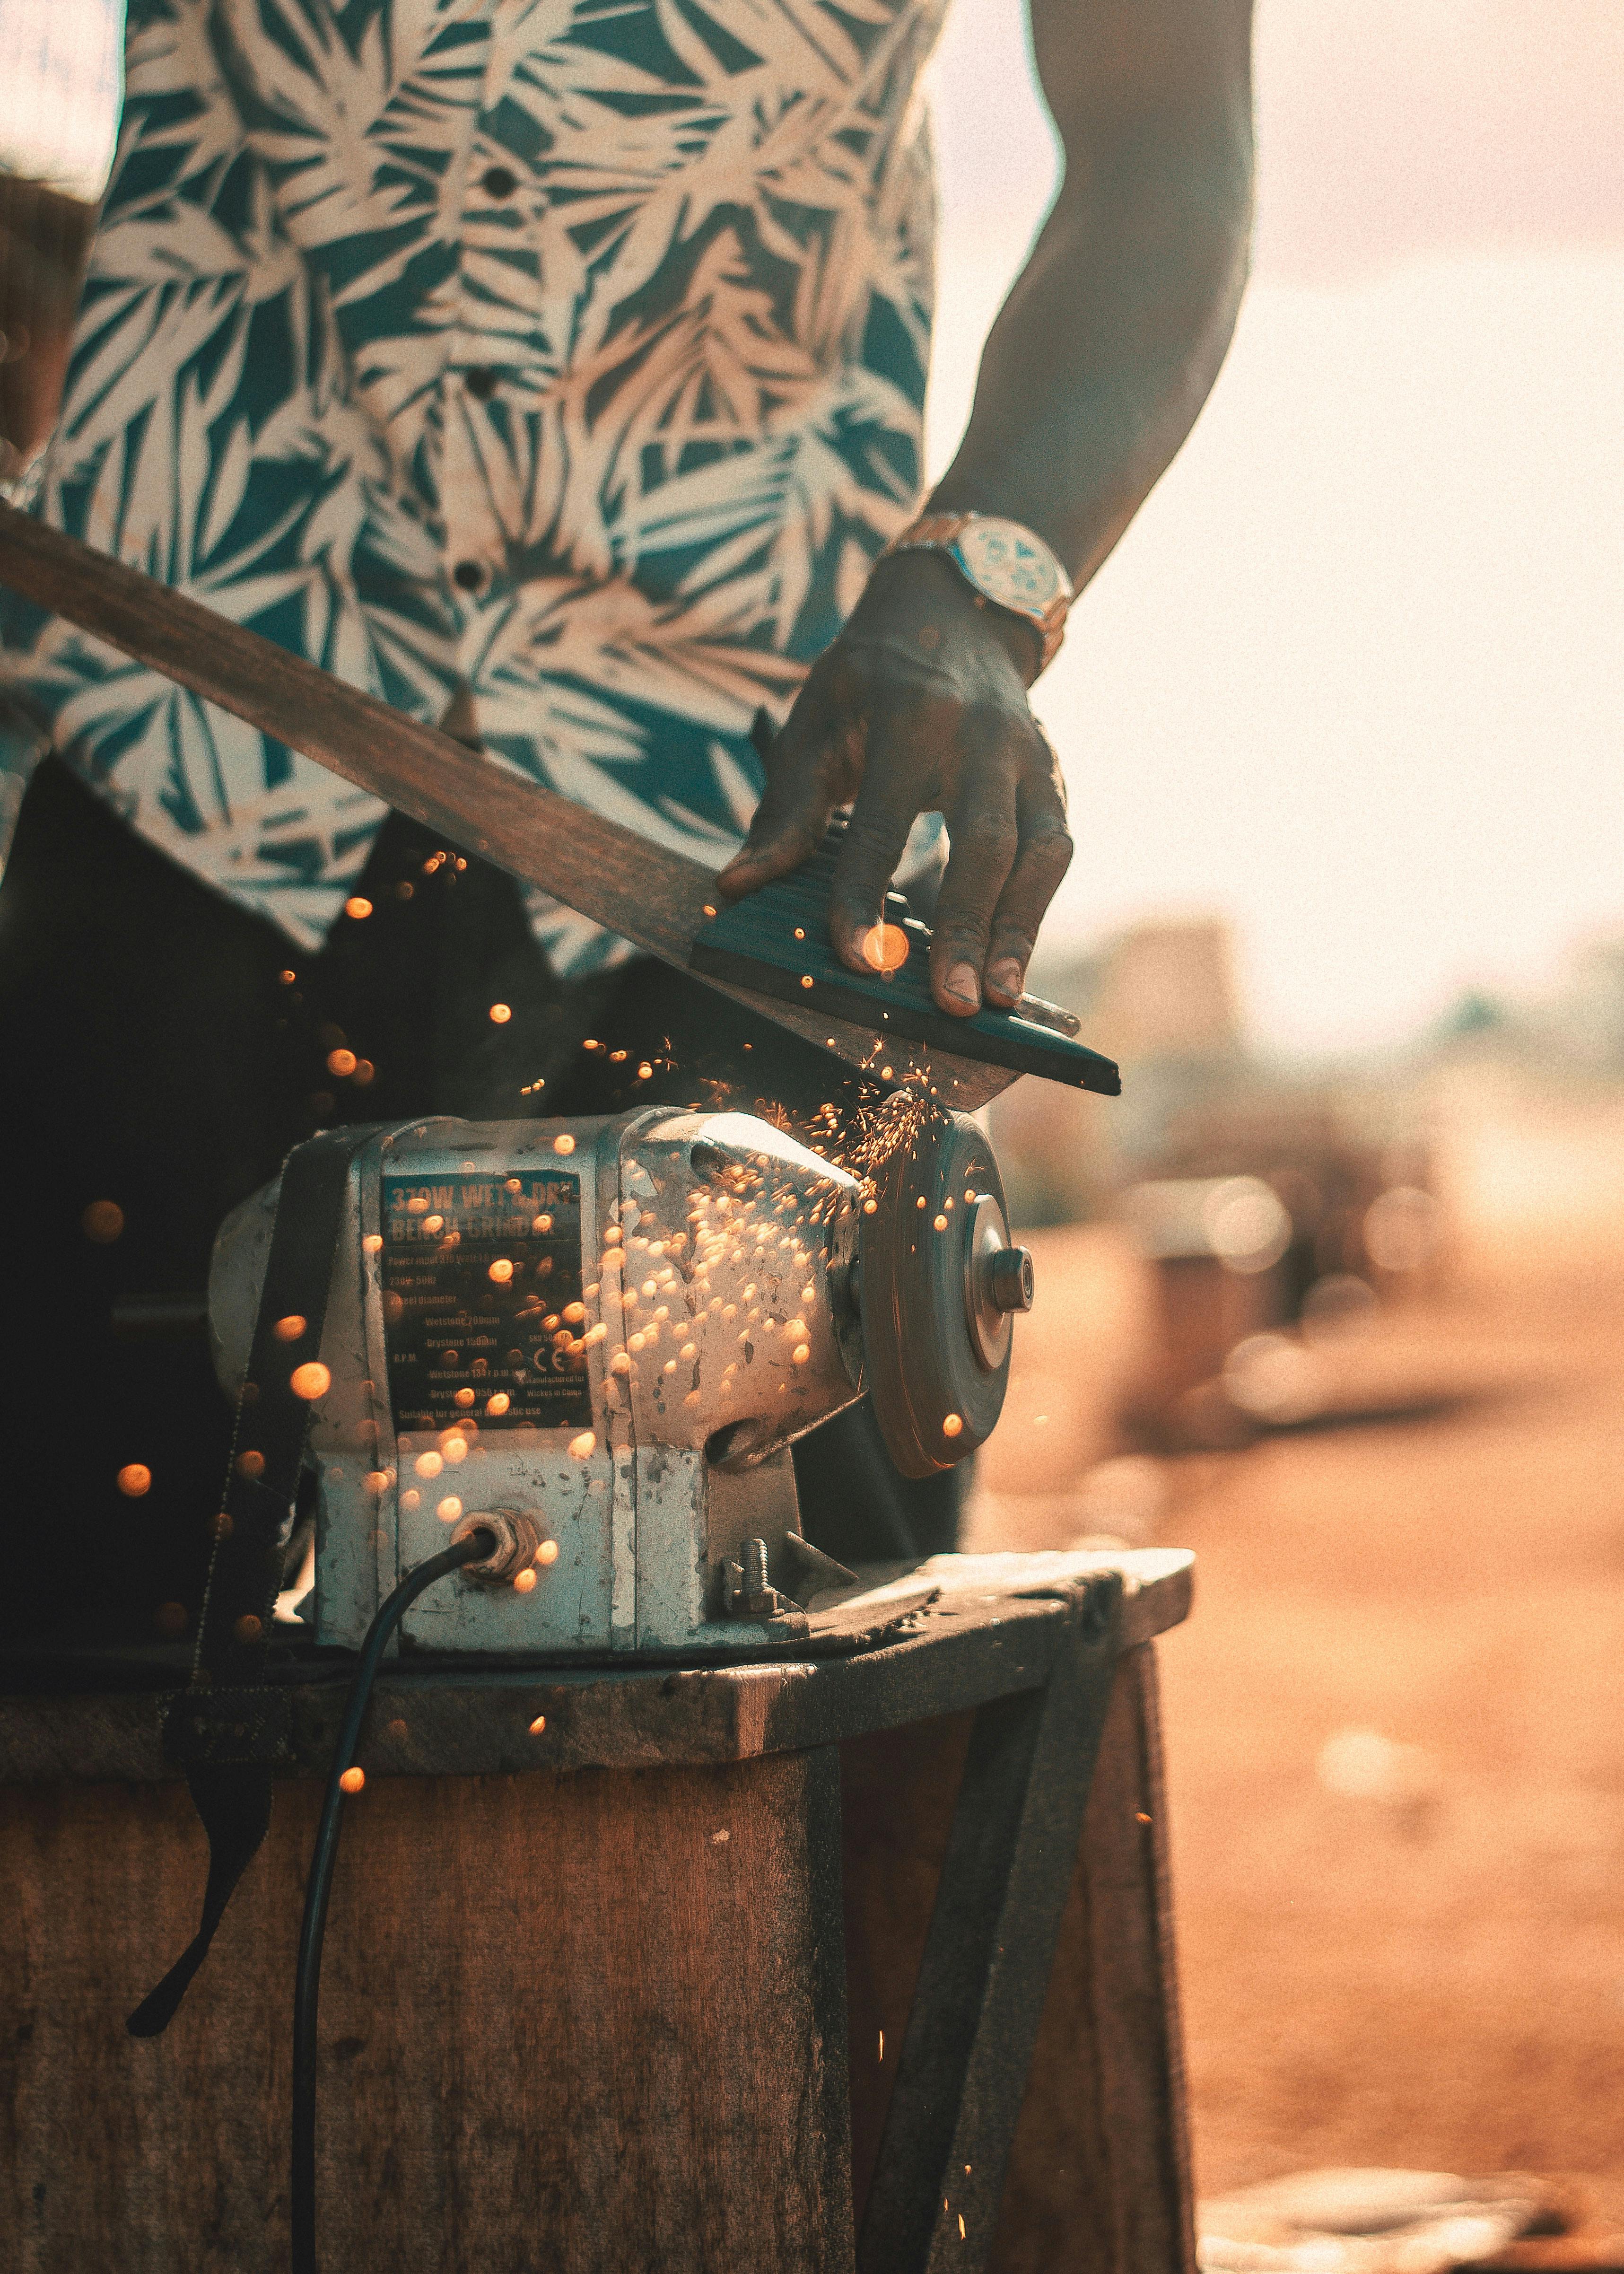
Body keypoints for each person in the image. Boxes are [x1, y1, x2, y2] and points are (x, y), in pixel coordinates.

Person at [0, 0, 1255, 1638]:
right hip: (188, 737)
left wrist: (980, 589)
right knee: (70, 1658)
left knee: (818, 1657)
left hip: (769, 819)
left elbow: (1167, 149)